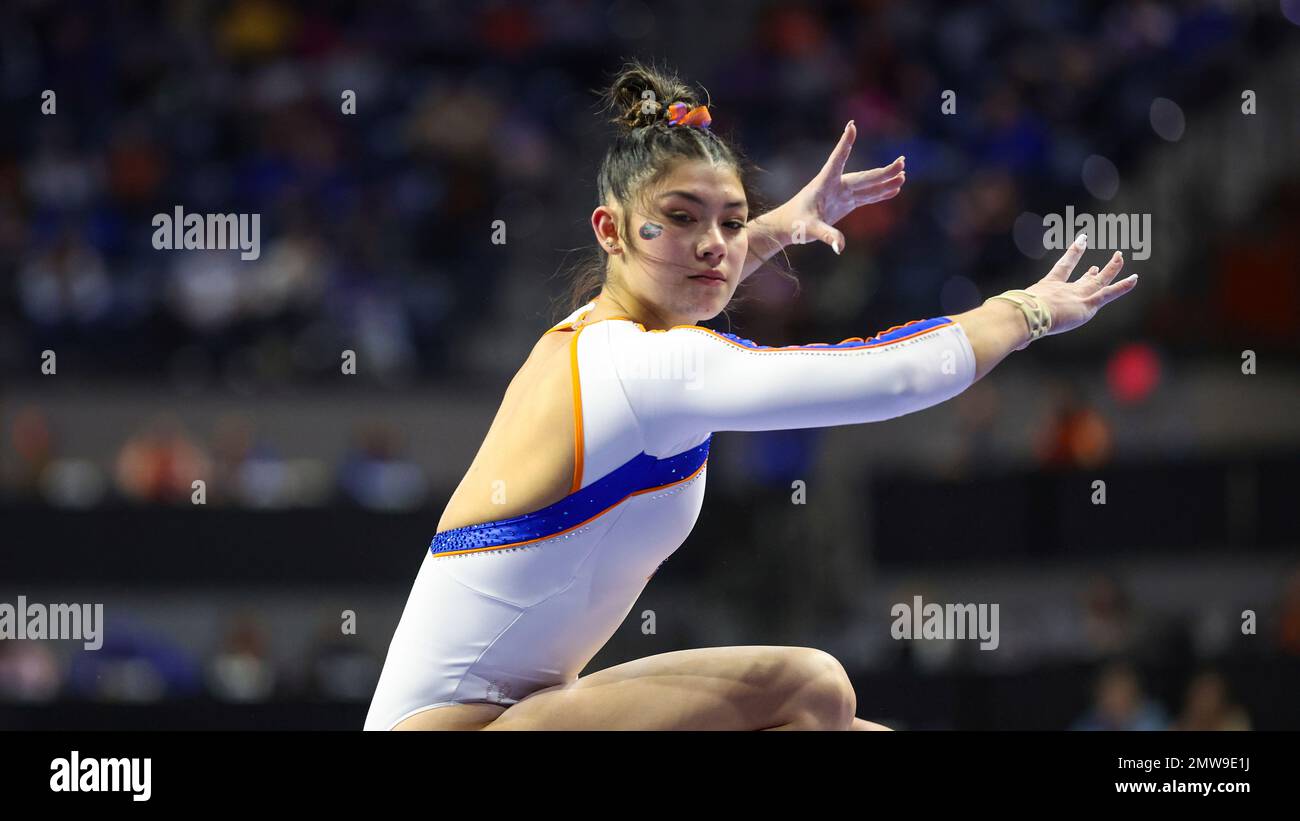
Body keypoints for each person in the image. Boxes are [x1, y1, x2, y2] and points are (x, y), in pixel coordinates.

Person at [365, 60, 1139, 731]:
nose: (714, 243)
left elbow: (695, 263)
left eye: (730, 222)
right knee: (812, 685)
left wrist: (773, 228)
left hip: (525, 713)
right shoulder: (635, 367)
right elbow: (887, 375)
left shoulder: (617, 333)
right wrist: (1023, 312)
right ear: (610, 230)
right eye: (680, 218)